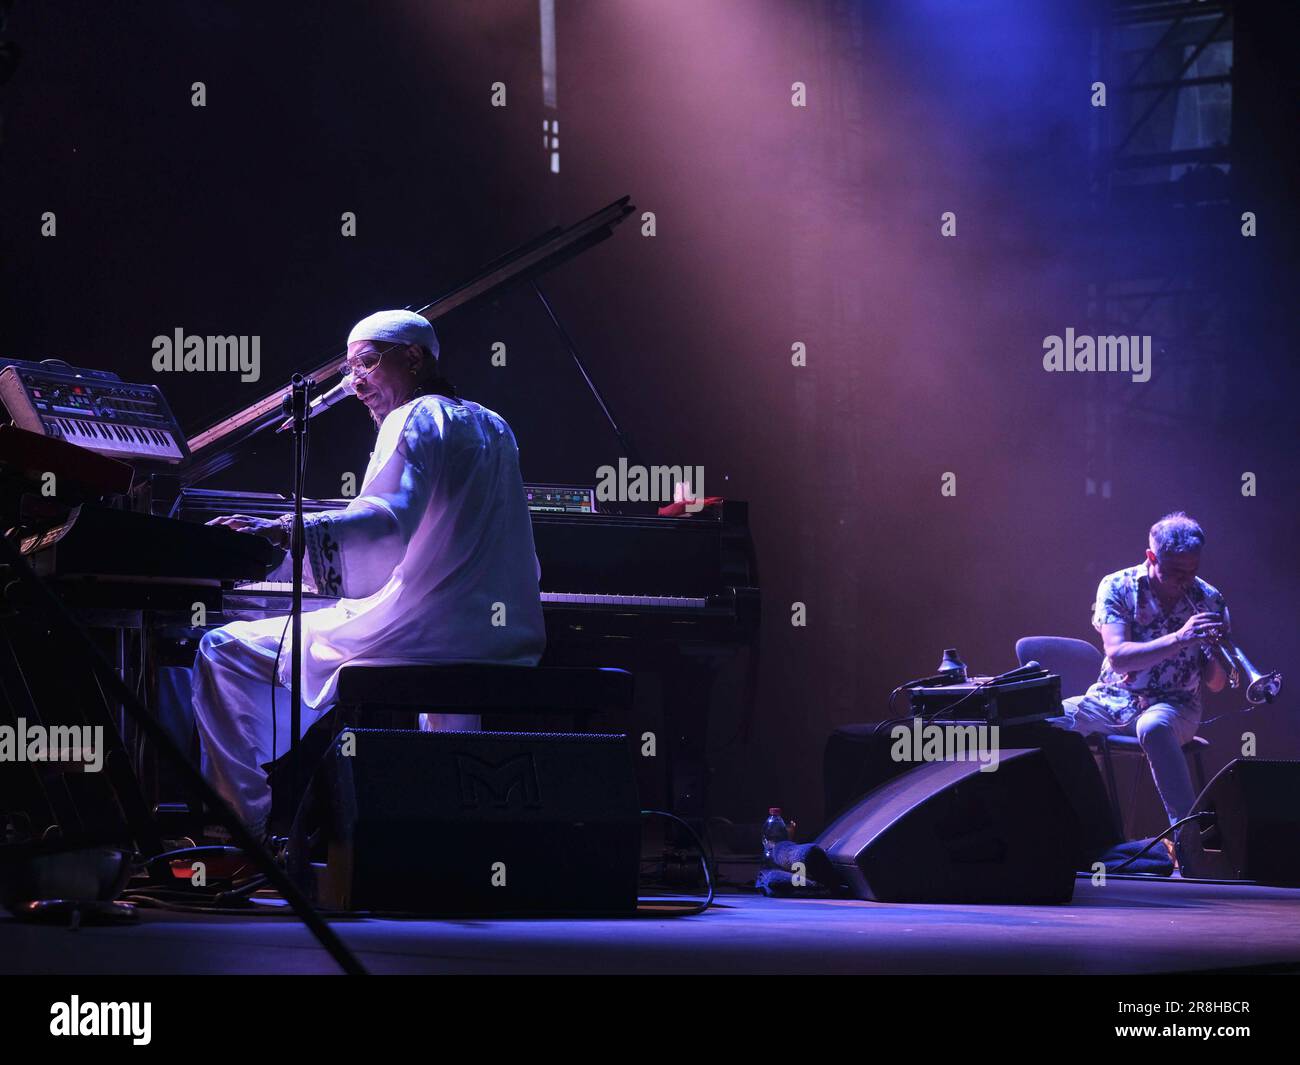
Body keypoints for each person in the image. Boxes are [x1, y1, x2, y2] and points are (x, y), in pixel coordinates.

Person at [192, 310, 546, 837]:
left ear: (413, 357)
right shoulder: (494, 424)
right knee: (435, 687)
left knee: (222, 650)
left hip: (422, 634)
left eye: (366, 363)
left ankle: (235, 834)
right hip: (495, 638)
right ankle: (452, 836)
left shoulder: (415, 417)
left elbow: (385, 523)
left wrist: (280, 531)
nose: (354, 382)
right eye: (349, 368)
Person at [1053, 512, 1228, 861]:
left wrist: (1216, 650)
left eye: (1191, 571)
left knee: (1154, 726)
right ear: (1151, 557)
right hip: (1111, 698)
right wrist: (1180, 638)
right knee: (1050, 722)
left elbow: (1217, 684)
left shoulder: (1209, 599)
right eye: (1175, 572)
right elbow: (1118, 657)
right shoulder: (1117, 586)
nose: (1185, 582)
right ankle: (1070, 831)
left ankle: (1189, 848)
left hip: (1176, 705)